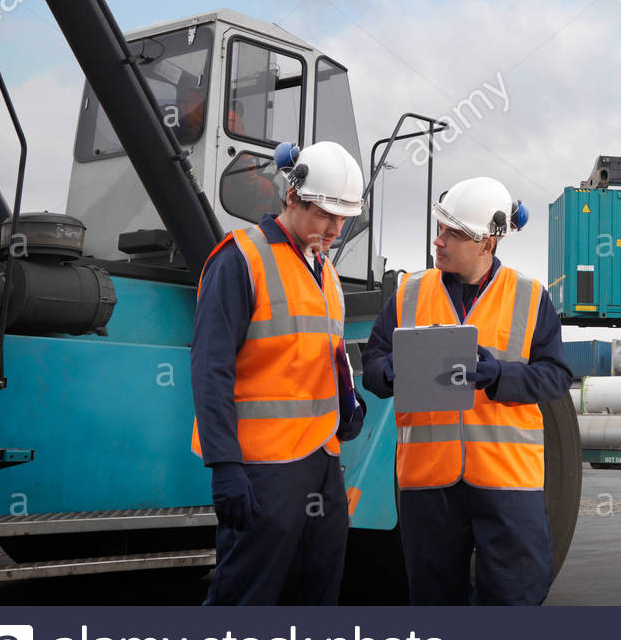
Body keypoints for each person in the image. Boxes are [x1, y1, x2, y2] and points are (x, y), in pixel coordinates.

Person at [361, 176, 572, 606]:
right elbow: (372, 369)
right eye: (440, 228)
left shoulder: (531, 297)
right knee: (434, 603)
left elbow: (555, 377)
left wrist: (499, 376)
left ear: (487, 242)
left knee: (515, 598)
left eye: (452, 233)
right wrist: (394, 371)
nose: (438, 241)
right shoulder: (408, 293)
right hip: (428, 483)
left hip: (507, 481)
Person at [190, 140, 366, 605]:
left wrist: (349, 403)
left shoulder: (325, 272)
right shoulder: (240, 259)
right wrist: (224, 464)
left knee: (316, 592)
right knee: (245, 600)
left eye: (342, 219)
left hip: (322, 461)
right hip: (262, 470)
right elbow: (211, 369)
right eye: (325, 215)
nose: (333, 230)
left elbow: (328, 354)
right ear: (292, 196)